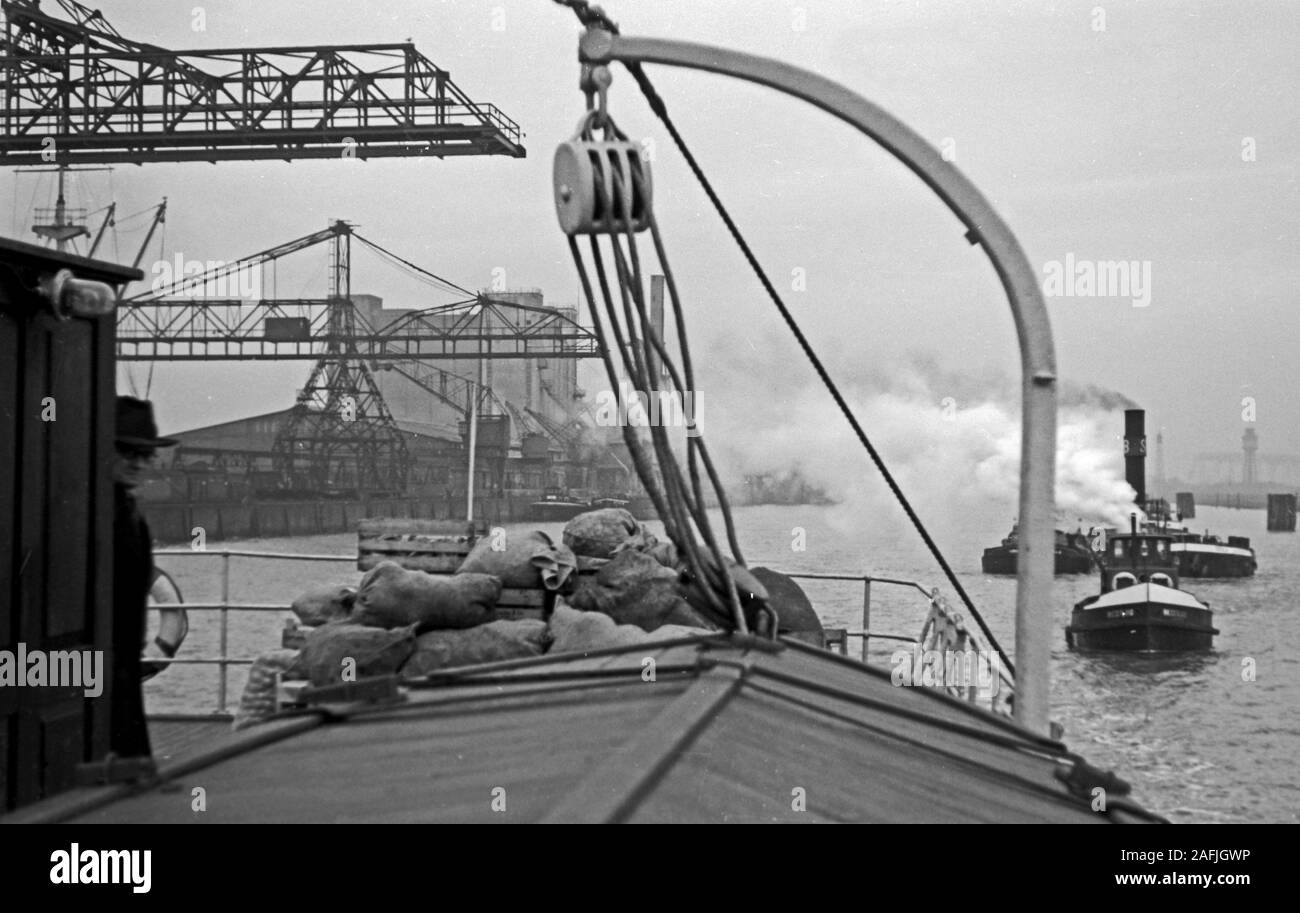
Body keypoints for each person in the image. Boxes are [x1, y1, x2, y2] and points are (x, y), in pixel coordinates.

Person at [110, 396, 177, 759]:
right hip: (99, 654)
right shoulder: (101, 509)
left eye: (144, 454)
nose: (137, 462)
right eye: (126, 452)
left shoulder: (127, 509)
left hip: (122, 651)